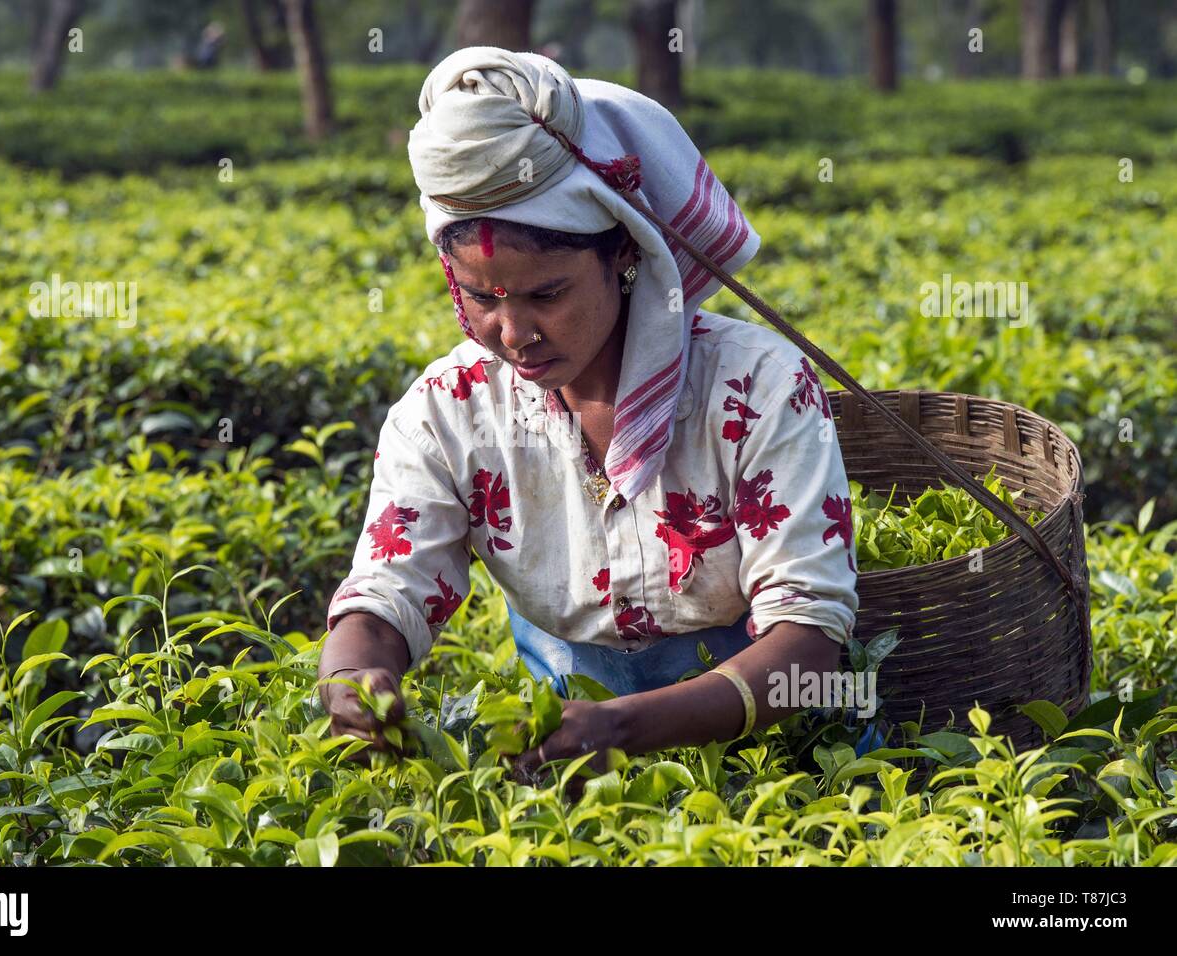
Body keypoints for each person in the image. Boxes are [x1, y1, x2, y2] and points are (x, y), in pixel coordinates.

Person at [319, 47, 873, 782]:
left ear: (624, 255)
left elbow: (808, 643)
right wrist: (355, 673)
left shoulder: (759, 387)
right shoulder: (450, 410)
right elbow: (388, 588)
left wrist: (623, 727)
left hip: (785, 762)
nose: (513, 333)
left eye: (546, 295)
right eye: (482, 298)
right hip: (567, 761)